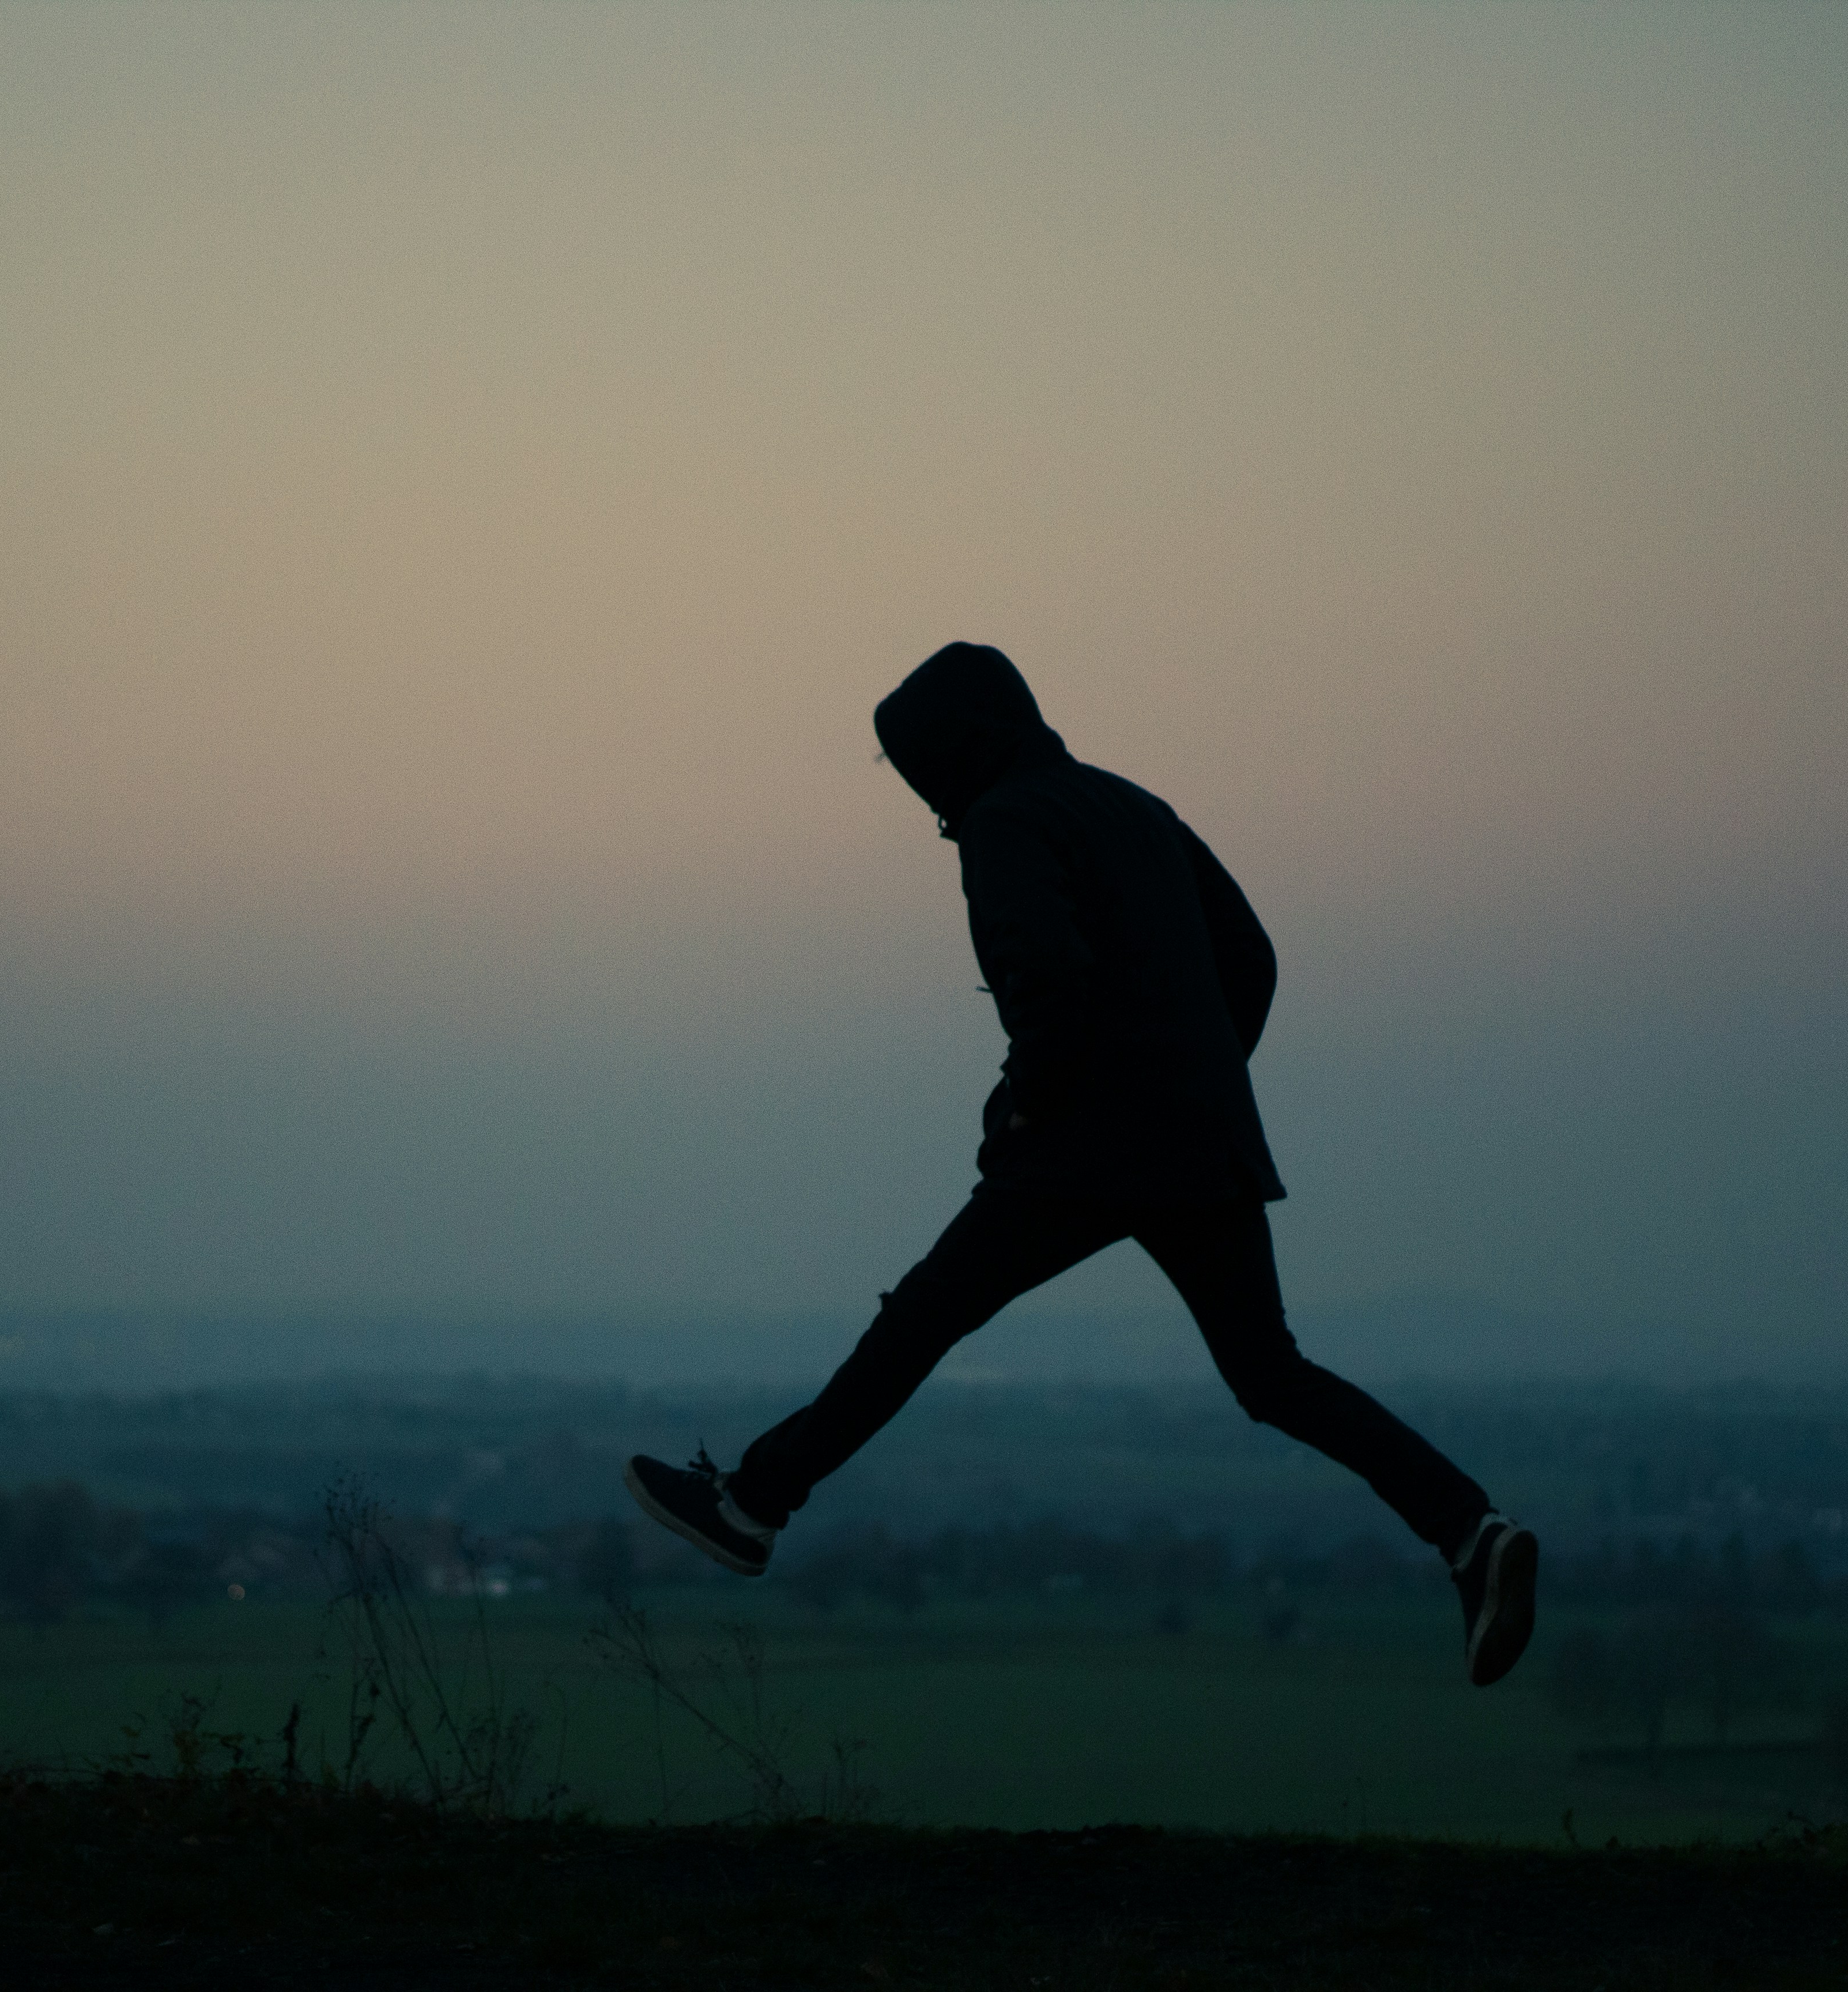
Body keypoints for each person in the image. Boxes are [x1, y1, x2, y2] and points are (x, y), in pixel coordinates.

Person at [625, 642, 1537, 1686]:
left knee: (924, 1315)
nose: (931, 814)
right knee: (1273, 1374)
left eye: (924, 778)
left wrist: (1034, 1103)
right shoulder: (1137, 807)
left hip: (1087, 1145)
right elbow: (1252, 961)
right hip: (1200, 1138)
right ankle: (1471, 1531)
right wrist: (1190, 1075)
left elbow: (1047, 973)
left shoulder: (1007, 823)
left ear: (956, 755)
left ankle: (749, 1508)